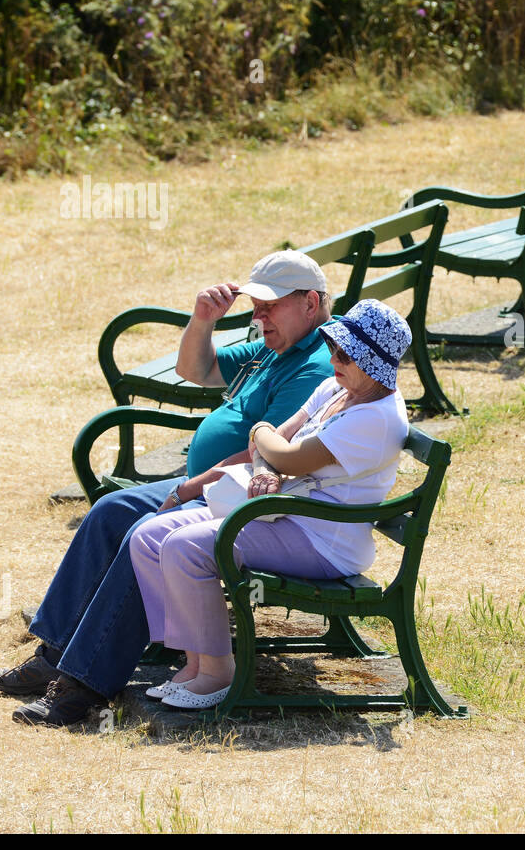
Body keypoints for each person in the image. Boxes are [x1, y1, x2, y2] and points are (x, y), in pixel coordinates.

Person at [0, 250, 336, 726]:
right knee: (111, 510)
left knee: (146, 532)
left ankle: (82, 686)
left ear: (311, 303)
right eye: (254, 305)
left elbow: (270, 454)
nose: (258, 316)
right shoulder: (270, 347)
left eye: (269, 306)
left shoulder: (312, 364)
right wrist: (202, 320)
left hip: (235, 495)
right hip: (209, 485)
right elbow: (196, 370)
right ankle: (54, 652)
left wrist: (187, 489)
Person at [128, 300, 411, 710]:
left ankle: (218, 673)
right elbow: (276, 445)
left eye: (345, 353)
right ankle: (195, 661)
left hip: (322, 540)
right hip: (284, 514)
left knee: (186, 545)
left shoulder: (377, 417)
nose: (333, 359)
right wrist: (268, 456)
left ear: (373, 362)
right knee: (149, 535)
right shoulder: (339, 387)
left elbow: (288, 454)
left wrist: (262, 436)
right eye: (333, 347)